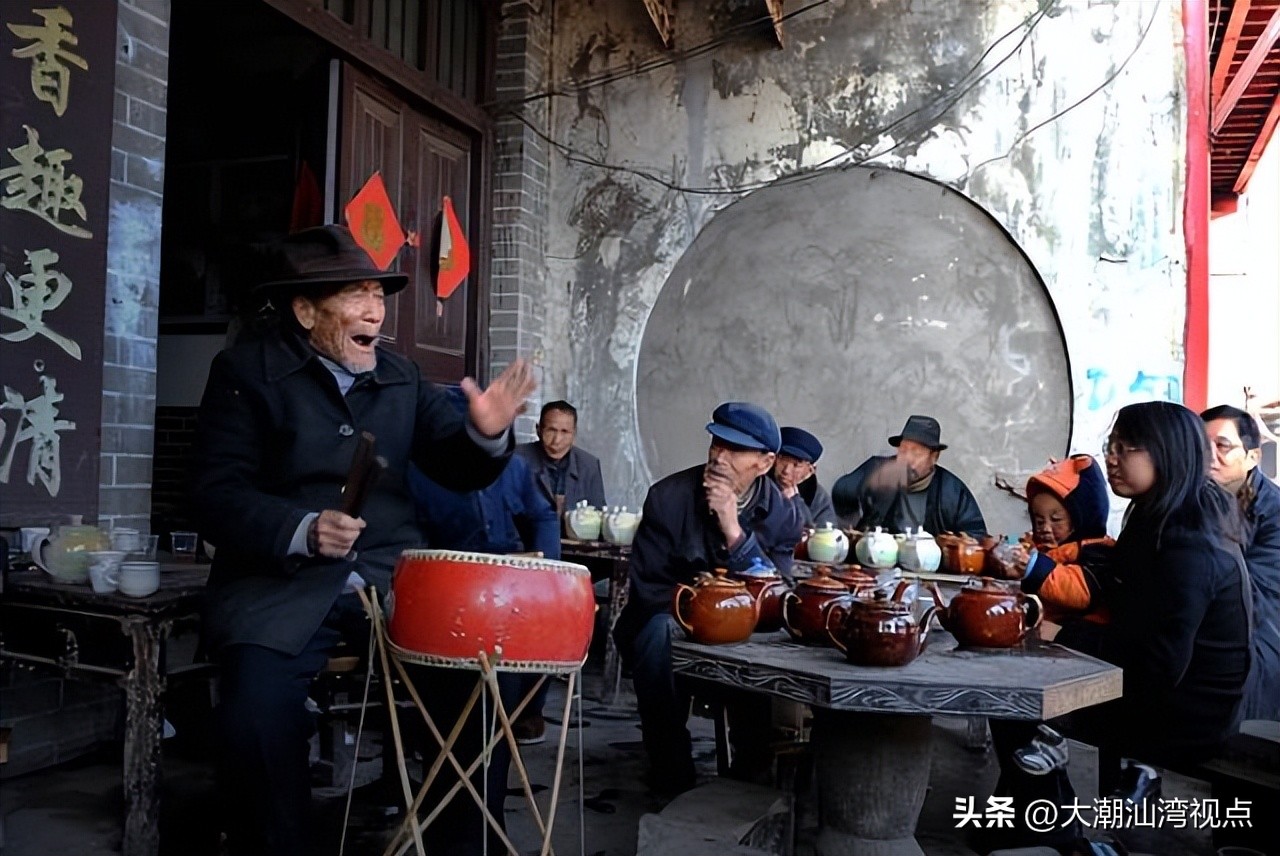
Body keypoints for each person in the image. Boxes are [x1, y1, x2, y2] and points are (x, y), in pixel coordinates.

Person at [191, 225, 536, 856]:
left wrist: (485, 435)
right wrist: (300, 528)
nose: (375, 310)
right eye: (355, 294)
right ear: (305, 309)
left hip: (389, 577)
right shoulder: (246, 372)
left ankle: (460, 844)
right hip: (281, 585)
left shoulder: (401, 378)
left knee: (482, 683)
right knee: (256, 710)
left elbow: (456, 465)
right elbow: (214, 495)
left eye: (378, 293)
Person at [981, 402, 1252, 855]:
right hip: (1156, 684)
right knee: (1013, 681)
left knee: (1016, 697)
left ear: (1167, 454)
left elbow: (1158, 662)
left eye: (1127, 449)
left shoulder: (1190, 542)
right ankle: (1026, 821)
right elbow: (1124, 614)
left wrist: (1064, 639)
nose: (1111, 458)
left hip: (1188, 710)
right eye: (1111, 446)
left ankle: (1061, 837)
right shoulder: (1155, 515)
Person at [613, 402, 803, 795]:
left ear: (765, 462)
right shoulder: (668, 498)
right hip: (673, 619)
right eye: (716, 443)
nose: (718, 457)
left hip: (744, 626)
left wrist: (734, 531)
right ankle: (671, 768)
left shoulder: (781, 515)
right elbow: (648, 589)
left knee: (766, 649)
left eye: (734, 450)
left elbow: (777, 598)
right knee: (654, 635)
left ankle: (752, 770)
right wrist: (704, 610)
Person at [408, 391, 562, 746]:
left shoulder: (514, 467)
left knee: (549, 619)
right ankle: (476, 727)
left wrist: (547, 571)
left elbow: (542, 515)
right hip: (450, 580)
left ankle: (527, 709)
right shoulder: (420, 470)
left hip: (506, 572)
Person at [1201, 404, 1280, 721]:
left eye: (1222, 446)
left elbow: (1255, 600)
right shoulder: (1194, 498)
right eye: (1201, 446)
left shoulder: (1274, 513)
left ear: (1252, 457)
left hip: (1261, 638)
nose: (1208, 457)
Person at [991, 454, 1115, 626]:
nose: (1045, 528)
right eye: (1039, 521)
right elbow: (1020, 544)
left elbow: (1081, 591)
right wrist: (1004, 547)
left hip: (1073, 640)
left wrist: (1034, 568)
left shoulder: (1097, 551)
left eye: (1056, 520)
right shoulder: (1039, 547)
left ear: (1080, 520)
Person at [830, 414, 986, 536]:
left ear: (934, 457)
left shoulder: (952, 491)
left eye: (916, 453)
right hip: (876, 559)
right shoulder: (878, 468)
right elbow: (840, 491)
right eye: (903, 451)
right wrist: (872, 481)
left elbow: (976, 534)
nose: (907, 459)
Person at [515, 400, 607, 514]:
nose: (557, 440)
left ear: (574, 433)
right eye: (551, 430)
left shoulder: (589, 465)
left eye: (565, 432)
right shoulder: (516, 459)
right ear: (538, 430)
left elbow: (598, 515)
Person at [772, 426, 837, 527]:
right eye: (782, 459)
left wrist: (795, 502)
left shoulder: (819, 498)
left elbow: (825, 536)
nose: (786, 470)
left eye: (796, 465)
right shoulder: (759, 482)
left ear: (811, 471)